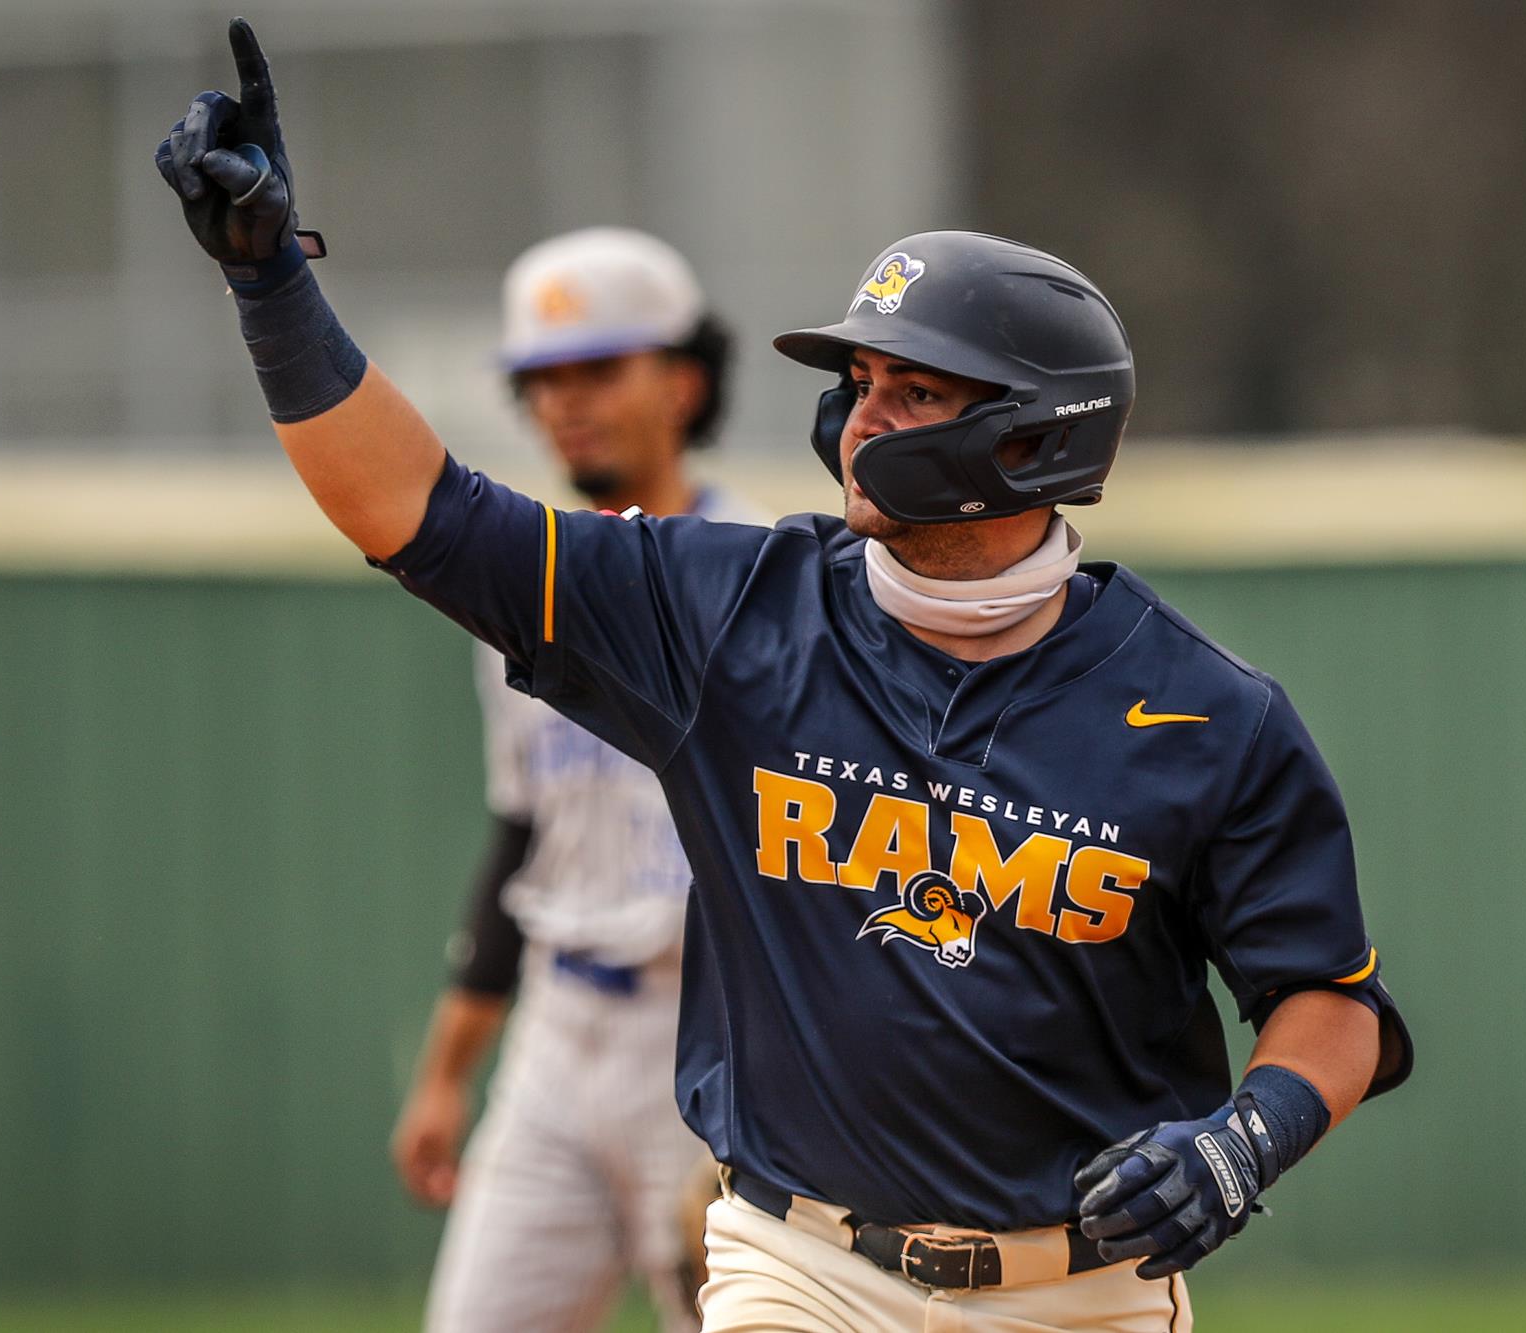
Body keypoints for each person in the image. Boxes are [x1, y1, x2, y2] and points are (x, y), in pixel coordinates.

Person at [157, 22, 1412, 1331]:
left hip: (1080, 1289)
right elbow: (416, 512)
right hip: (801, 1262)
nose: (861, 417)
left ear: (1034, 440)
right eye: (858, 382)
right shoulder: (727, 607)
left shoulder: (1208, 715)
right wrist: (270, 287)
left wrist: (1241, 1143)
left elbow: (1330, 1002)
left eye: (913, 391)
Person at [389, 227, 753, 1333]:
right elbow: (523, 835)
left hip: (708, 1037)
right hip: (558, 1032)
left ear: (684, 382)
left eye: (596, 368)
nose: (562, 402)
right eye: (540, 378)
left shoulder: (761, 580)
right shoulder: (523, 587)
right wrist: (448, 1069)